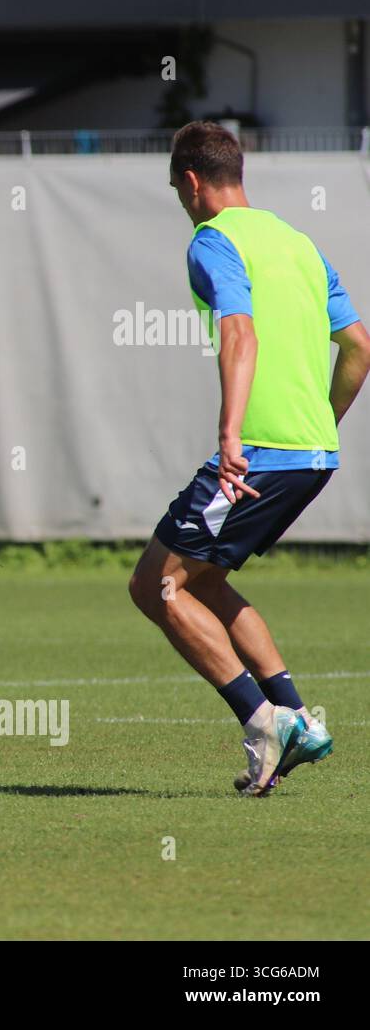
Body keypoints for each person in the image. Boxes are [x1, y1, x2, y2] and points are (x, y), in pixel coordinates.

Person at [129, 120, 370, 796]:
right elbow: (358, 347)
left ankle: (264, 721)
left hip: (257, 451)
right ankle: (297, 715)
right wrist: (322, 423)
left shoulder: (212, 241)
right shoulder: (298, 243)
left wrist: (231, 433)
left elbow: (239, 331)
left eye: (179, 187)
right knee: (203, 581)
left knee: (157, 586)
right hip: (311, 454)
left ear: (193, 181)